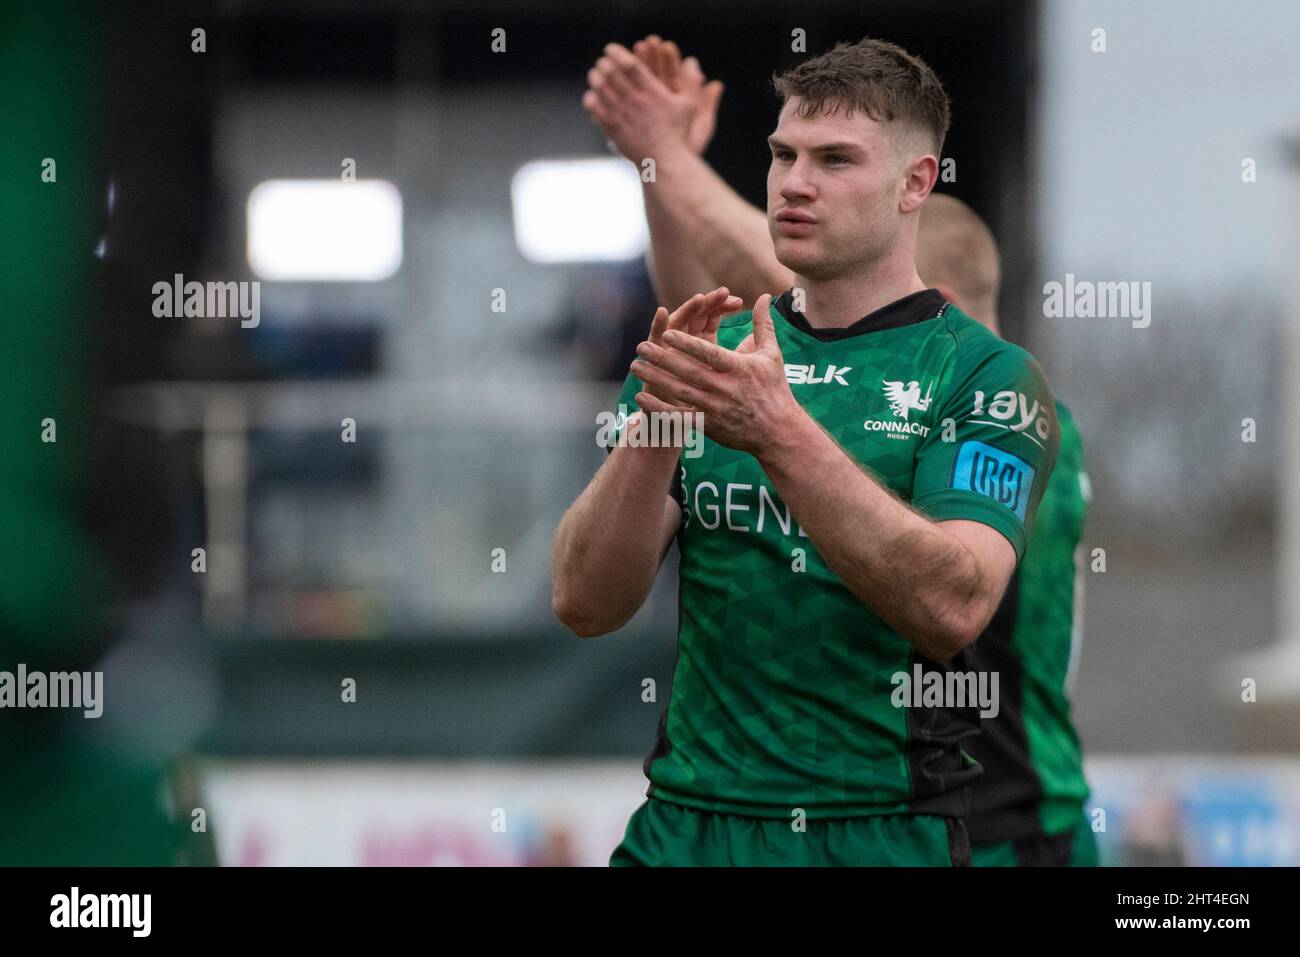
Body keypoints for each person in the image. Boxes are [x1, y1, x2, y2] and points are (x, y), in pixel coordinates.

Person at [586, 36, 1098, 866]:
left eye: (832, 159)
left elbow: (946, 600)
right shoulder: (800, 351)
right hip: (696, 820)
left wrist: (666, 158)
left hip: (999, 817)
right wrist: (657, 177)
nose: (794, 182)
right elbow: (721, 326)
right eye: (782, 155)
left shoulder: (1006, 394)